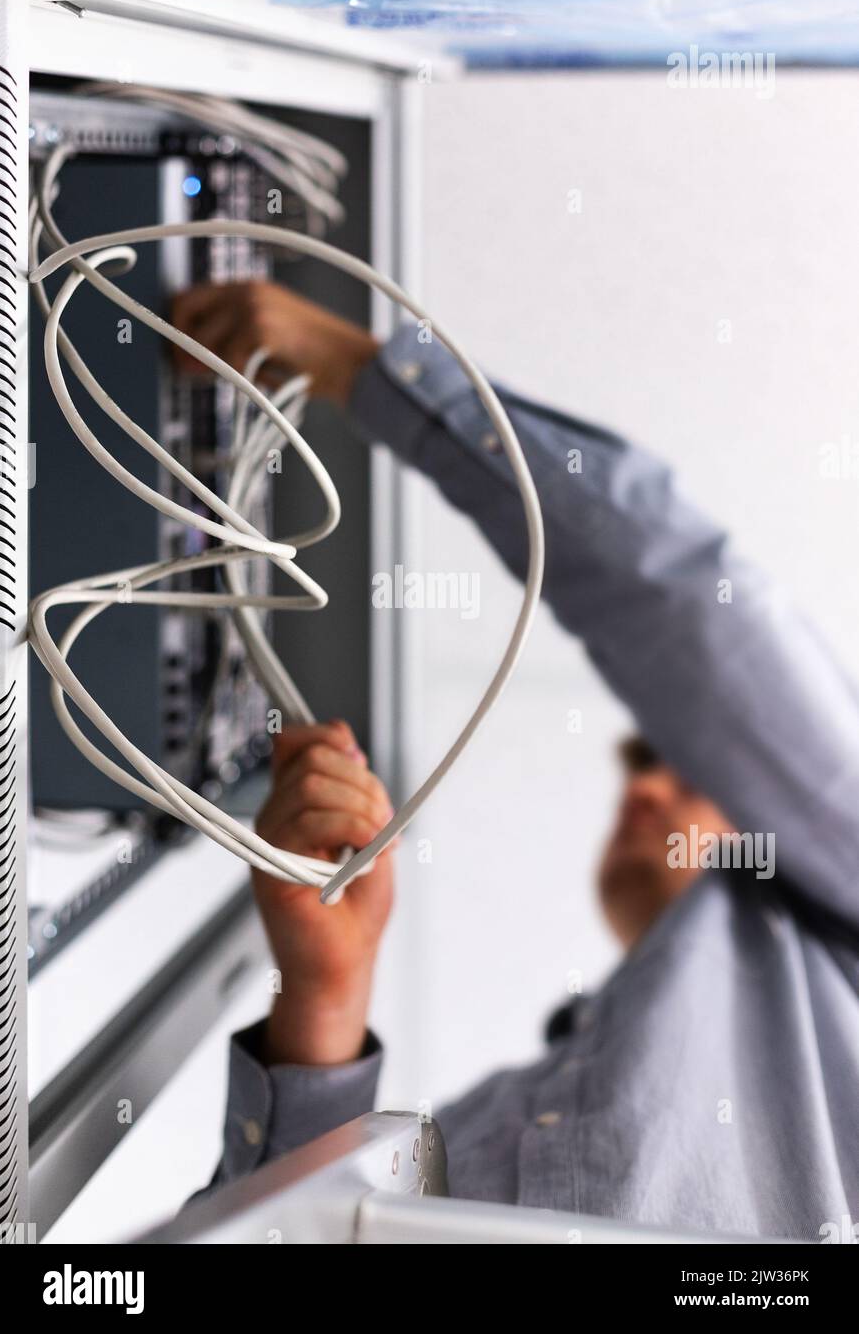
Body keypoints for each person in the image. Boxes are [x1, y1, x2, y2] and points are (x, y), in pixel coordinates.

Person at [172, 281, 859, 1242]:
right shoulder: (506, 1118)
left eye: (686, 771)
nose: (648, 789)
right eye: (637, 770)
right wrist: (325, 1004)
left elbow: (694, 616)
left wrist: (369, 372)